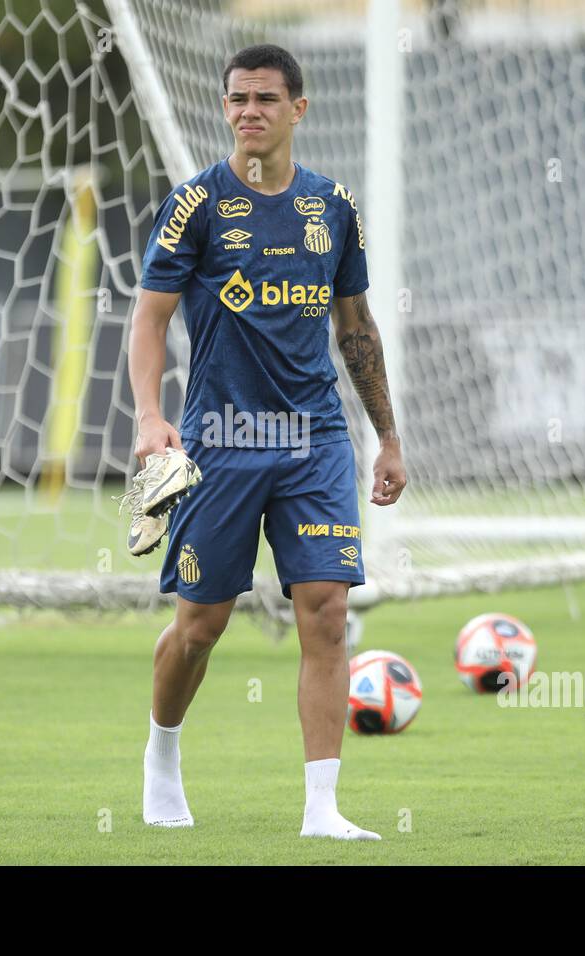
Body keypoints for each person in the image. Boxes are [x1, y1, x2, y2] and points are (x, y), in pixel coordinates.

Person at [126, 44, 406, 840]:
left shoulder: (332, 209)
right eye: (237, 99)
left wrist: (387, 437)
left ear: (297, 110)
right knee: (201, 627)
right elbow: (148, 319)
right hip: (220, 441)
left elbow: (355, 327)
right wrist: (150, 417)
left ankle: (323, 810)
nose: (249, 111)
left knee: (324, 614)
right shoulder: (196, 206)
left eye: (265, 99)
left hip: (315, 439)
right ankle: (162, 758)